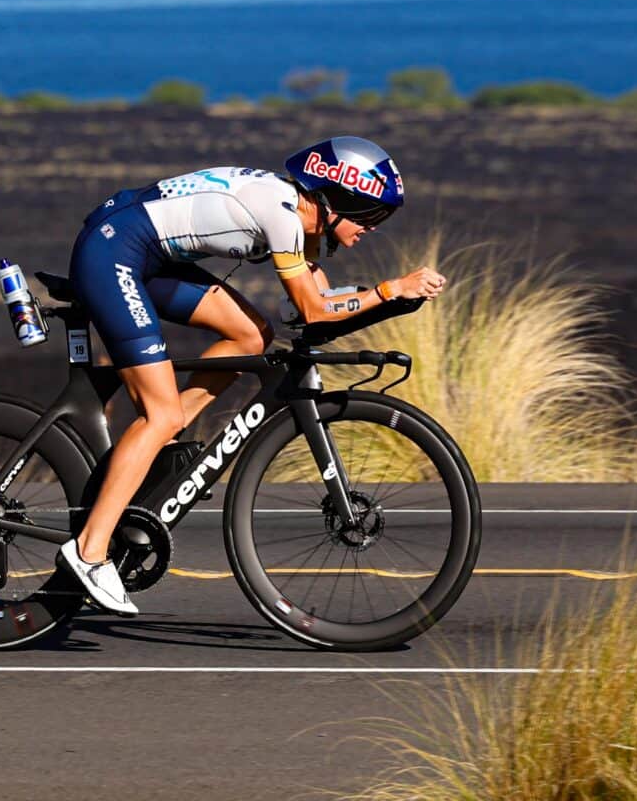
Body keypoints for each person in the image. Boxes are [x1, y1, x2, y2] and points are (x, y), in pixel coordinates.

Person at [58, 136, 448, 615]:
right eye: (368, 215)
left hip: (147, 255)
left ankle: (162, 435)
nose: (373, 228)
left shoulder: (300, 222)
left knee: (251, 337)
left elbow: (306, 312)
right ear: (334, 201)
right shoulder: (281, 214)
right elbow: (313, 309)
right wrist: (390, 290)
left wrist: (390, 303)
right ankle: (90, 551)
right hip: (114, 253)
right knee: (159, 414)